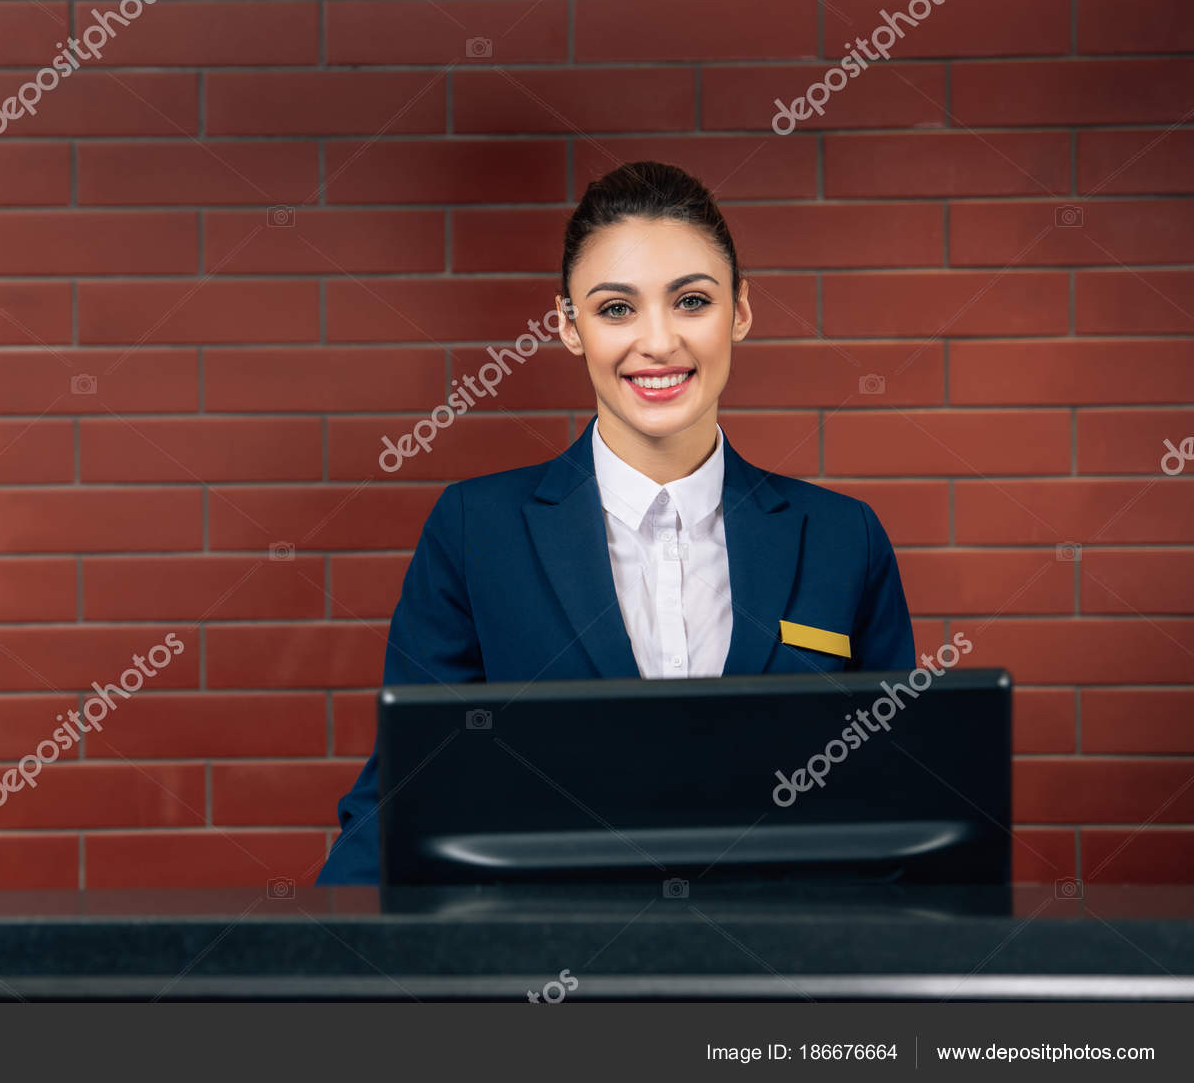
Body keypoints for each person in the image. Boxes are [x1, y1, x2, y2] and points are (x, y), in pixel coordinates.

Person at [317, 161, 916, 885]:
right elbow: (405, 791)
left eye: (692, 301)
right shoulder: (478, 532)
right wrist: (316, 966)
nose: (658, 343)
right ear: (569, 326)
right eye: (616, 309)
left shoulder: (843, 538)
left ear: (742, 311)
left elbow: (900, 798)